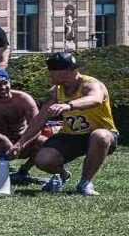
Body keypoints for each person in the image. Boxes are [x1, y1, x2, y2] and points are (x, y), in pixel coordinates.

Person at [15, 51, 117, 196]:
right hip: (71, 135)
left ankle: (85, 183)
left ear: (65, 72)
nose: (50, 76)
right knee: (43, 160)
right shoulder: (57, 91)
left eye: (52, 72)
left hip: (101, 134)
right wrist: (21, 143)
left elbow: (95, 99)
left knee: (100, 135)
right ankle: (63, 175)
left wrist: (69, 105)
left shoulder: (90, 84)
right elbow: (40, 119)